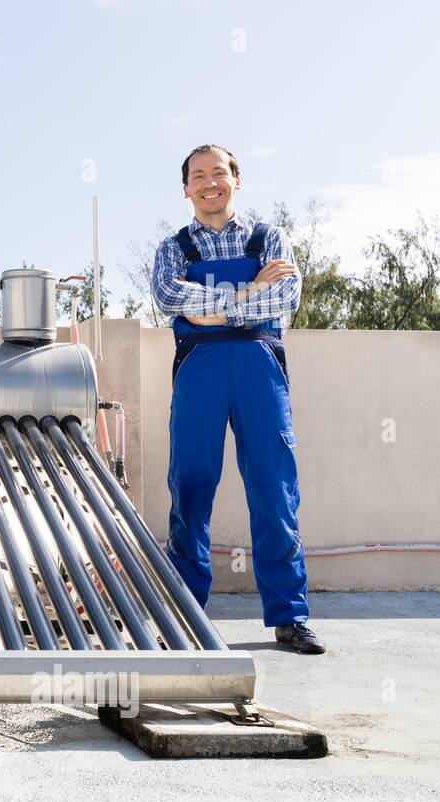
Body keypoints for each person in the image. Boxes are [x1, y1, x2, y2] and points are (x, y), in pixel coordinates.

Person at [151, 144, 324, 654]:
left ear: (236, 180)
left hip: (259, 366)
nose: (210, 182)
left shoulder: (268, 237)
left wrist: (211, 309)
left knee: (274, 487)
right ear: (186, 188)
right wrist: (248, 293)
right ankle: (185, 617)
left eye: (219, 172)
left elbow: (285, 296)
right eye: (198, 176)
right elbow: (168, 298)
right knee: (190, 486)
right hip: (199, 368)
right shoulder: (173, 248)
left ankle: (290, 617)